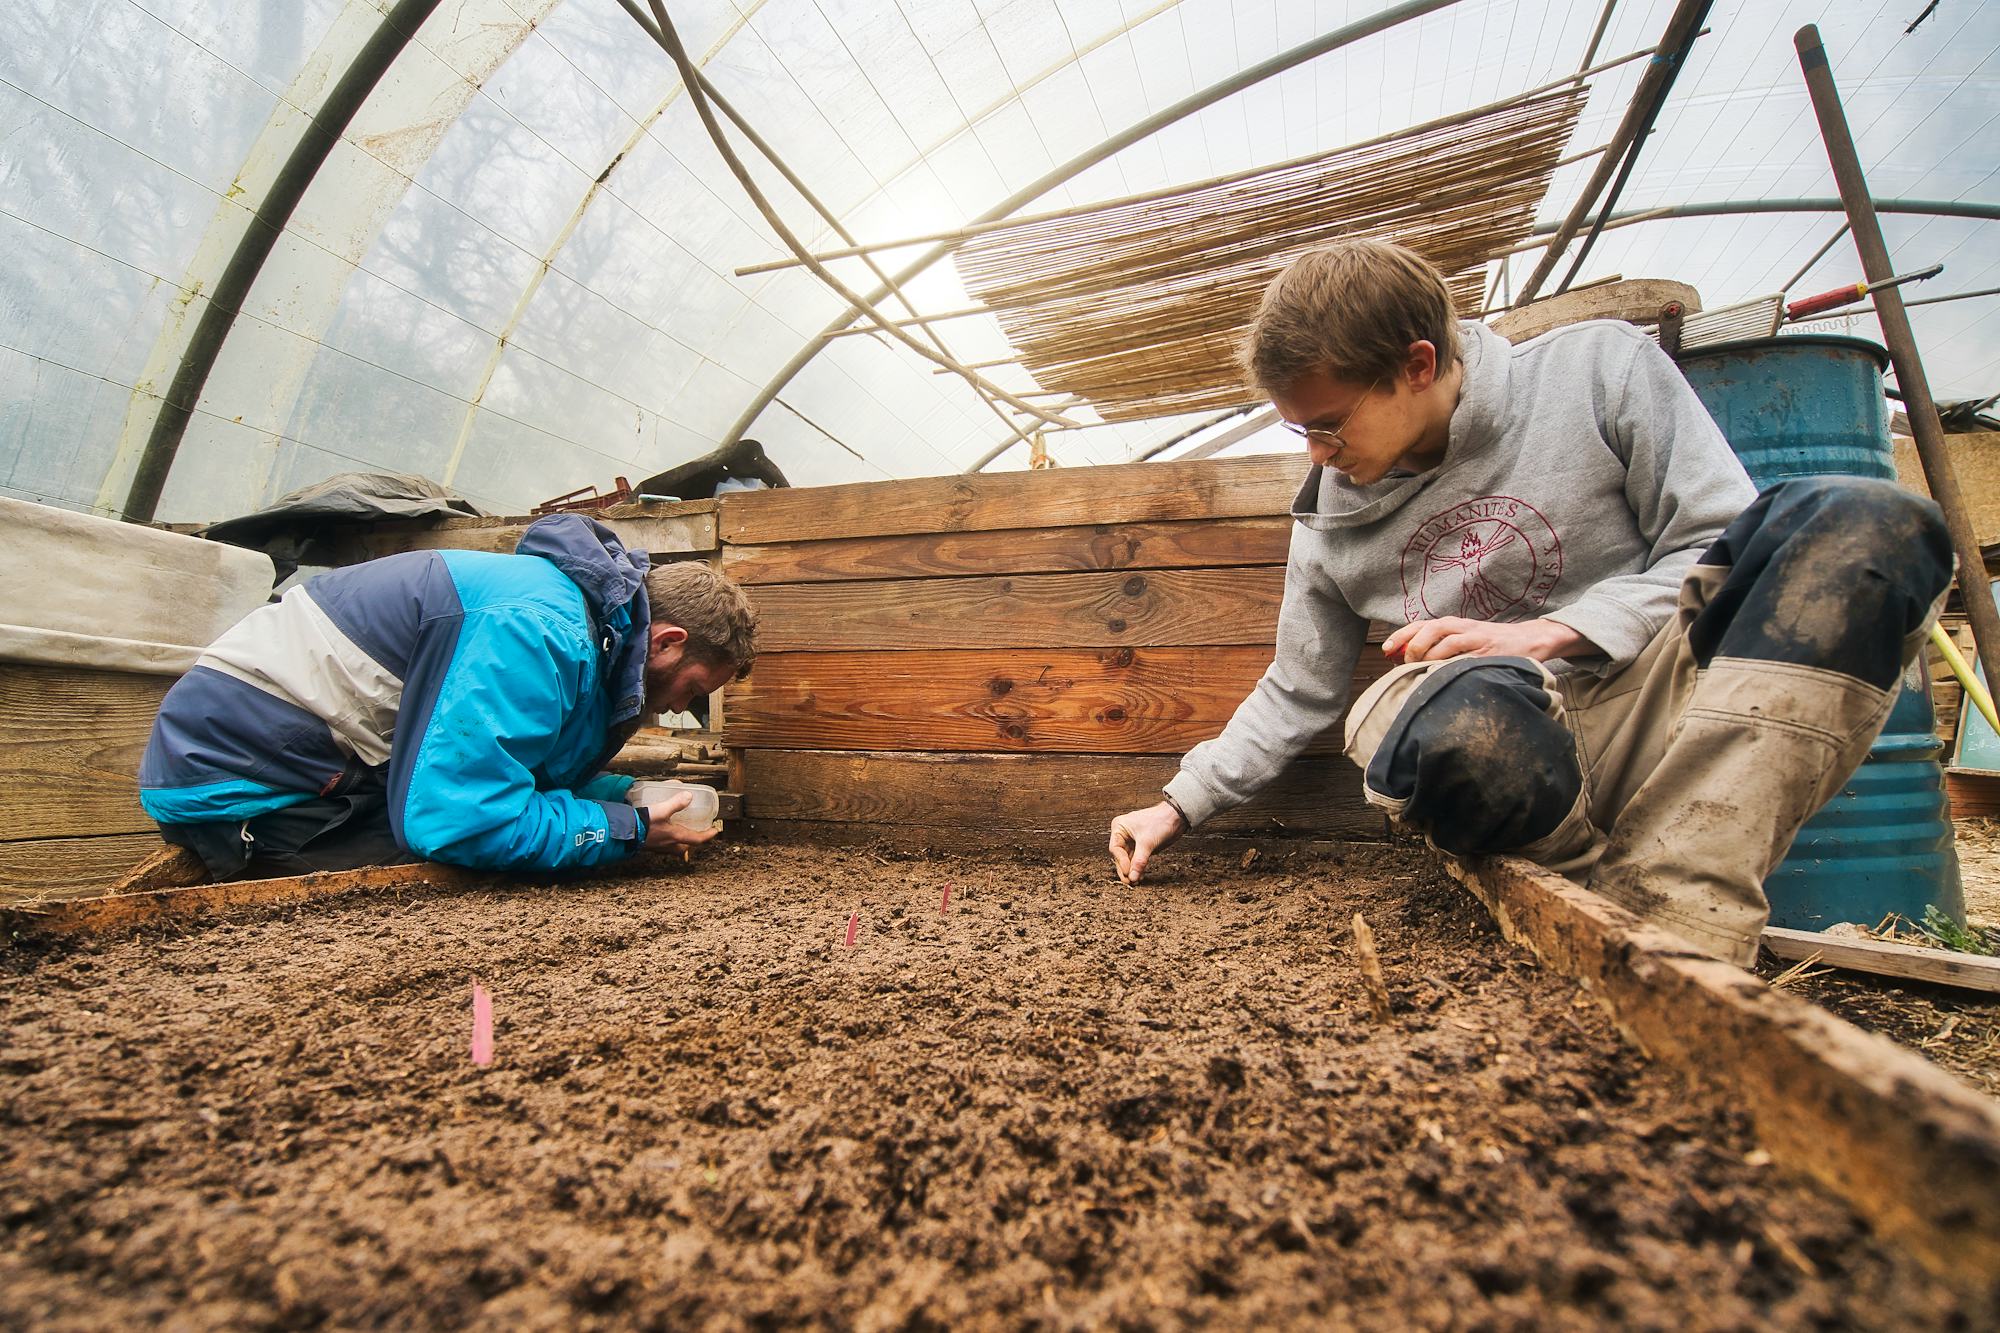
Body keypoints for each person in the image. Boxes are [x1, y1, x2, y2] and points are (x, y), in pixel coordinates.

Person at [1107, 240, 1951, 966]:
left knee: (1862, 528)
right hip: (1495, 727)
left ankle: (1679, 914)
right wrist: (1180, 801)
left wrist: (1558, 630)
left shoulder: (1598, 371)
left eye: (1328, 423)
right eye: (1300, 433)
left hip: (1657, 695)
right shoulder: (1327, 517)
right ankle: (1580, 891)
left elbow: (1721, 544)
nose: (1320, 454)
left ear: (1417, 365)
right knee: (1444, 712)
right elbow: (1300, 688)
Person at [139, 513, 757, 880]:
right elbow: (461, 819)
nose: (680, 708)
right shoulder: (539, 630)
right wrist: (626, 829)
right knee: (457, 868)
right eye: (695, 690)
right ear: (669, 643)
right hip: (242, 781)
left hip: (331, 766)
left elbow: (504, 766)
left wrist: (622, 795)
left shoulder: (586, 627)